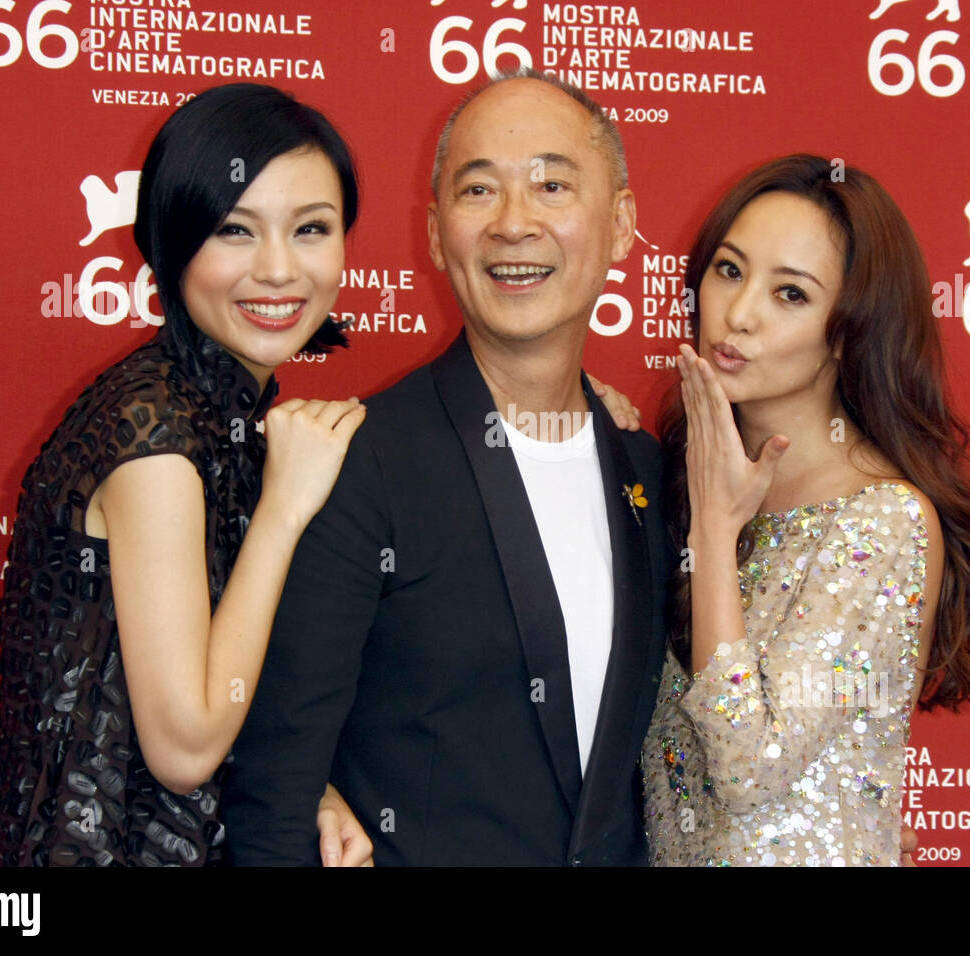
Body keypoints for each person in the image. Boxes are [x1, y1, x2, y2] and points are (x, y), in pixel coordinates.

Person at [220, 70, 672, 865]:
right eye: (478, 192)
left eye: (552, 184)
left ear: (623, 224)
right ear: (435, 234)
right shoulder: (358, 463)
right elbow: (275, 793)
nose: (514, 224)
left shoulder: (646, 470)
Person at [0, 84, 374, 866]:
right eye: (234, 230)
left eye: (311, 229)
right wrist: (283, 510)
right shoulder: (151, 430)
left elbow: (217, 675)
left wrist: (311, 789)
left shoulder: (223, 414)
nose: (279, 269)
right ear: (172, 238)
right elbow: (185, 742)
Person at [642, 155, 970, 865]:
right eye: (729, 270)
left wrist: (714, 536)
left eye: (791, 295)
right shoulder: (676, 484)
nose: (739, 314)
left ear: (847, 330)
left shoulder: (881, 521)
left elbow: (747, 767)